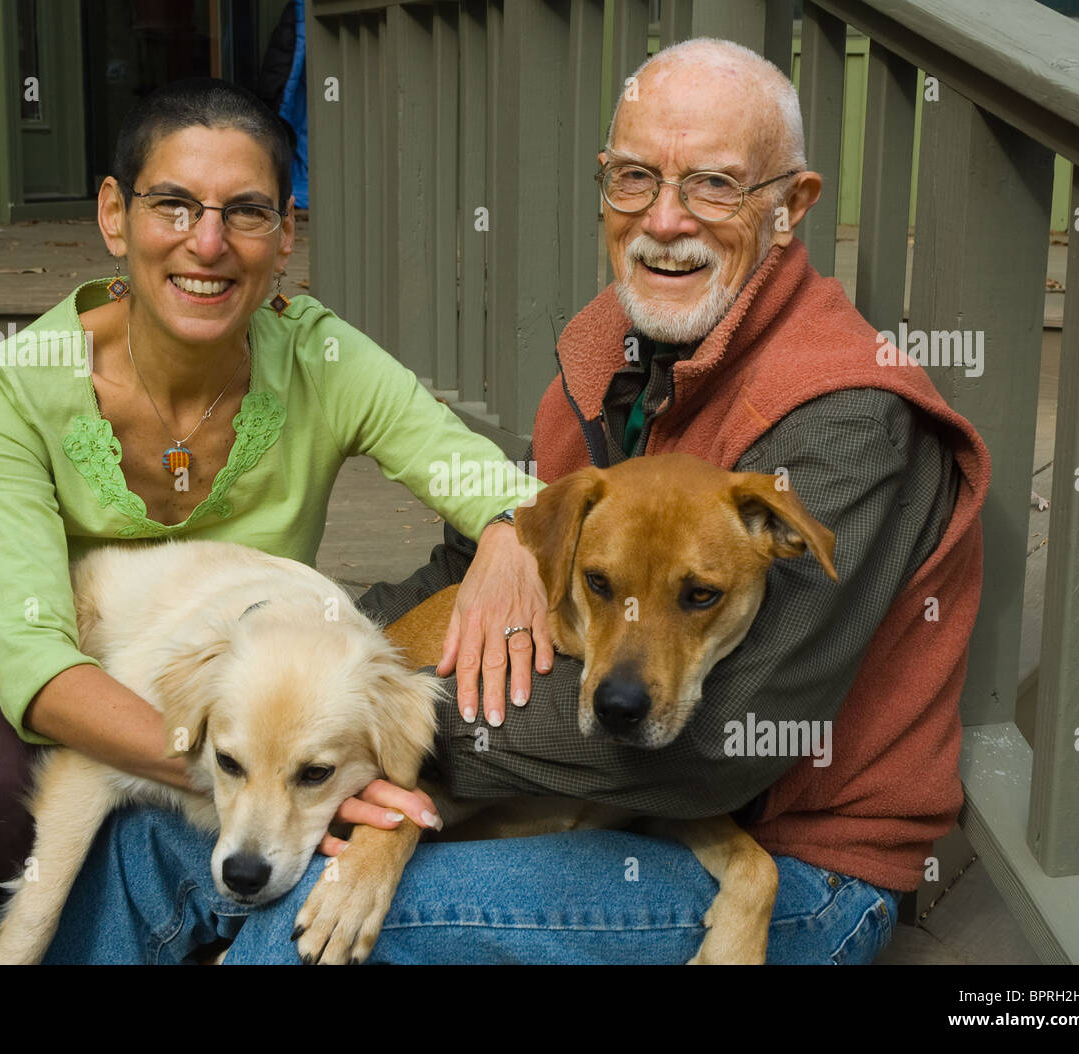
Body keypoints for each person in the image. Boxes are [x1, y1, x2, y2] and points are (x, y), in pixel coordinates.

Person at [48, 36, 989, 966]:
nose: (665, 220)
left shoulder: (846, 417)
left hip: (793, 866)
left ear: (791, 207)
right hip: (582, 815)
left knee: (302, 938)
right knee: (143, 847)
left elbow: (715, 744)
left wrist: (372, 734)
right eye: (634, 179)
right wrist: (287, 661)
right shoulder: (610, 362)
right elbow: (470, 569)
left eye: (713, 184)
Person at [0, 77, 550, 964]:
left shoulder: (323, 358)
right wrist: (231, 774)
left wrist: (514, 533)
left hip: (238, 685)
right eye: (172, 204)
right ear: (114, 215)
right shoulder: (18, 381)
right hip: (76, 649)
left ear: (286, 235)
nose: (206, 244)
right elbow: (32, 652)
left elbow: (486, 479)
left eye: (245, 213)